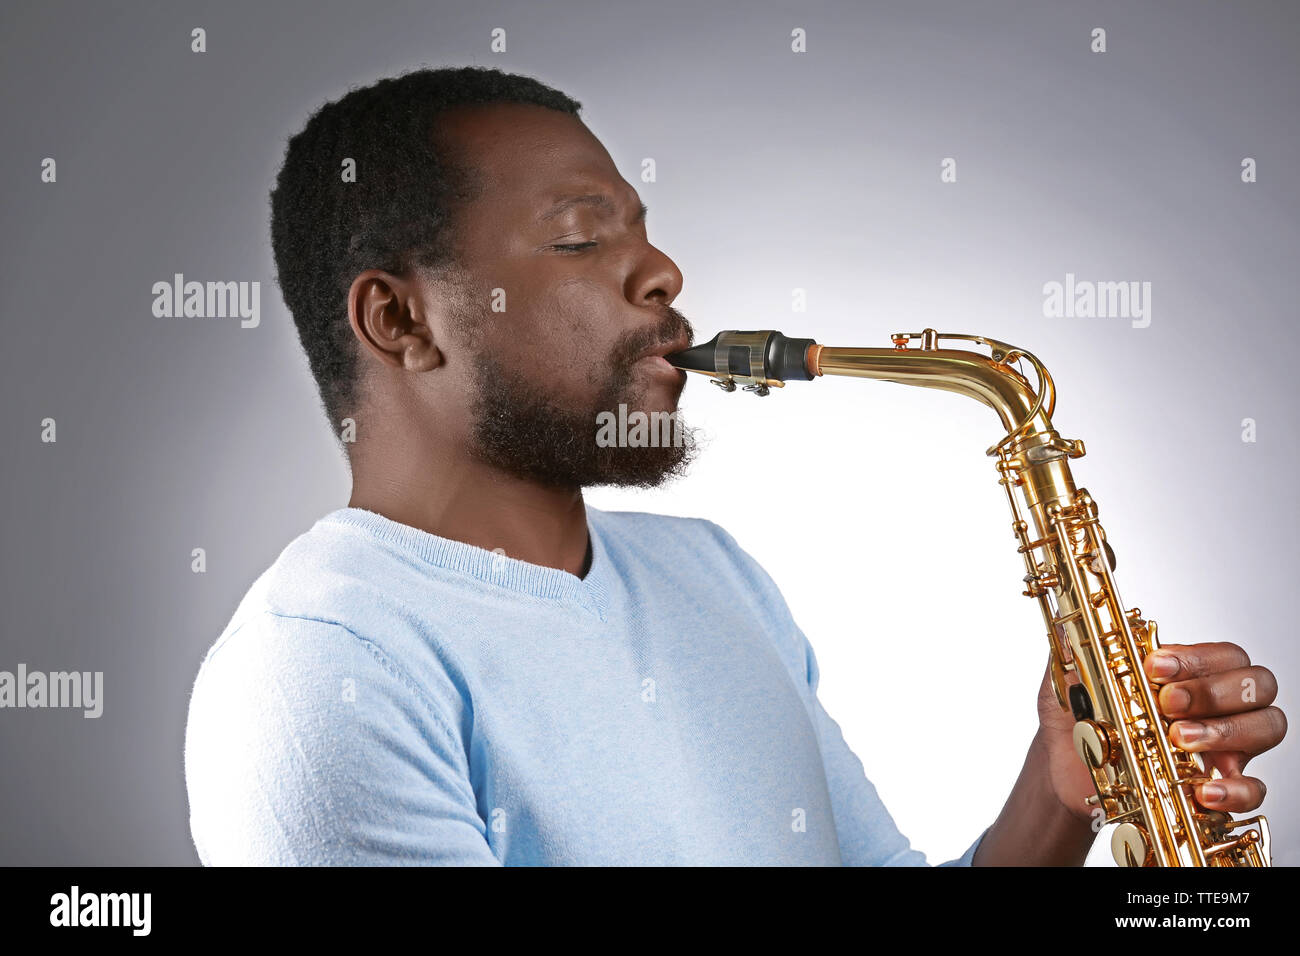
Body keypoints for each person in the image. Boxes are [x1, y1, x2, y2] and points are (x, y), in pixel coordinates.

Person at [183, 66, 1286, 866]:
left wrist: (1063, 791)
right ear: (400, 319)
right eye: (580, 237)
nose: (661, 270)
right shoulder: (323, 668)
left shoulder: (710, 573)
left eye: (644, 233)